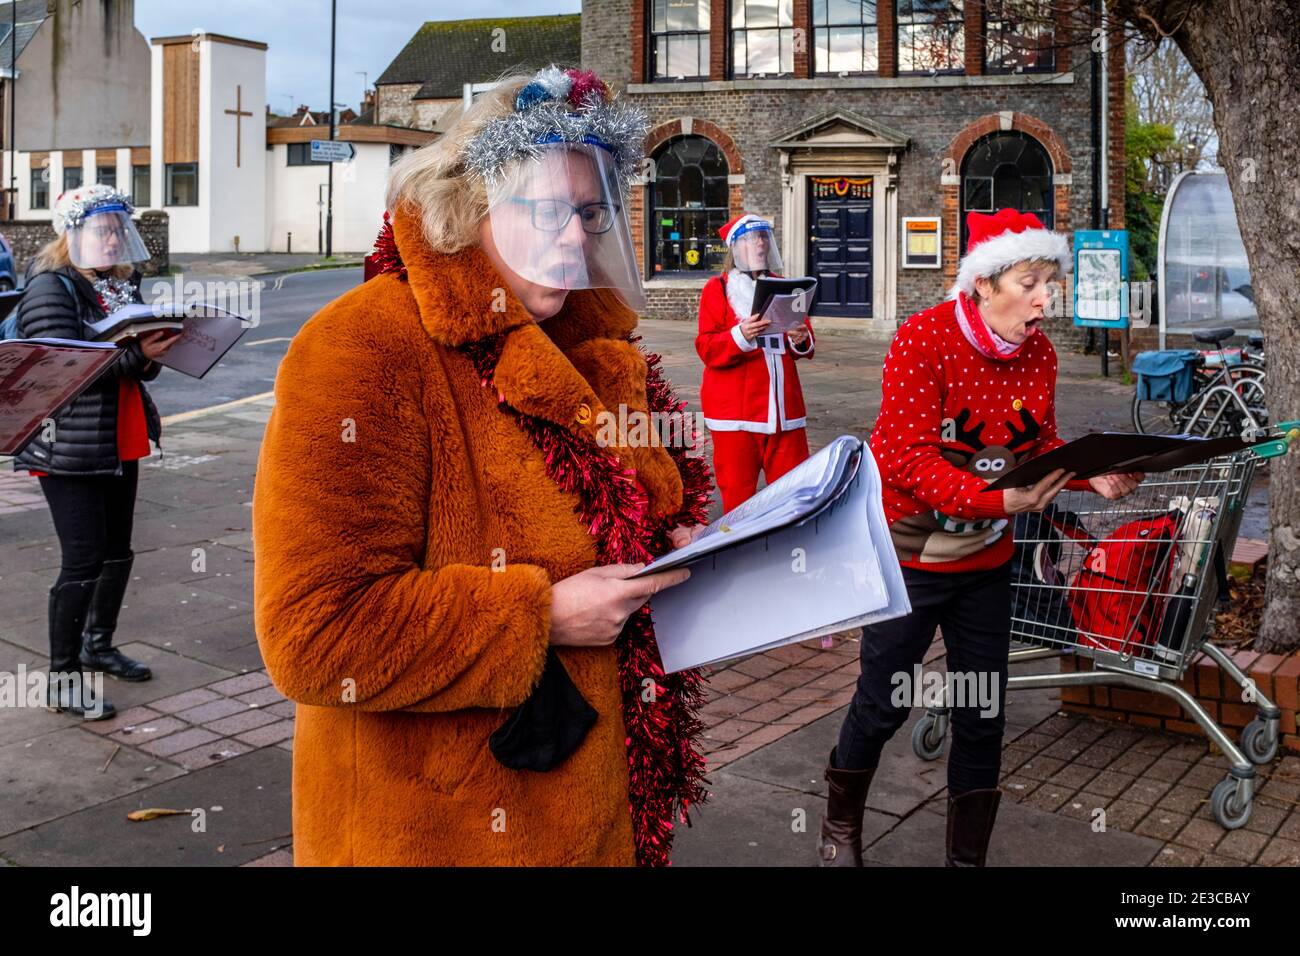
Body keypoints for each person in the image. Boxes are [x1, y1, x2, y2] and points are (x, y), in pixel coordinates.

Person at [253, 67, 710, 866]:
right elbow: (315, 633)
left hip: (595, 816)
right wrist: (540, 619)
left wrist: (679, 547)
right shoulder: (366, 345)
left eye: (592, 212)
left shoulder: (589, 344)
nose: (575, 238)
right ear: (470, 208)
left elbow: (621, 520)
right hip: (441, 832)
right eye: (547, 211)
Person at [819, 208, 1143, 867]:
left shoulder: (1041, 354)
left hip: (988, 562)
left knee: (982, 714)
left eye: (1050, 282)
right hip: (911, 556)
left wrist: (1088, 475)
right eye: (1030, 282)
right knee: (882, 704)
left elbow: (1040, 443)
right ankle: (839, 828)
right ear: (983, 284)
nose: (1046, 300)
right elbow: (908, 458)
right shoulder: (923, 341)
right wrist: (1001, 498)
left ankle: (966, 862)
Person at [14, 184, 176, 720]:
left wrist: (154, 354)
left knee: (118, 551)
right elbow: (61, 373)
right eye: (100, 229)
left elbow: (130, 361)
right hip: (71, 442)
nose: (110, 238)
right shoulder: (49, 289)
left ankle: (98, 645)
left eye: (117, 229)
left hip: (119, 430)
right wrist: (136, 359)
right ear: (72, 234)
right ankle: (62, 678)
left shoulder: (118, 286)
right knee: (82, 558)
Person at [695, 213, 814, 513]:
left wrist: (800, 337)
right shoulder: (716, 289)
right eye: (753, 238)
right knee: (739, 501)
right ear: (736, 248)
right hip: (736, 414)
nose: (761, 243)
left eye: (764, 237)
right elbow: (706, 347)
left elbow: (804, 339)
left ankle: (788, 554)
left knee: (793, 496)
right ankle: (741, 556)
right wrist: (740, 334)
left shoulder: (784, 285)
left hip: (785, 410)